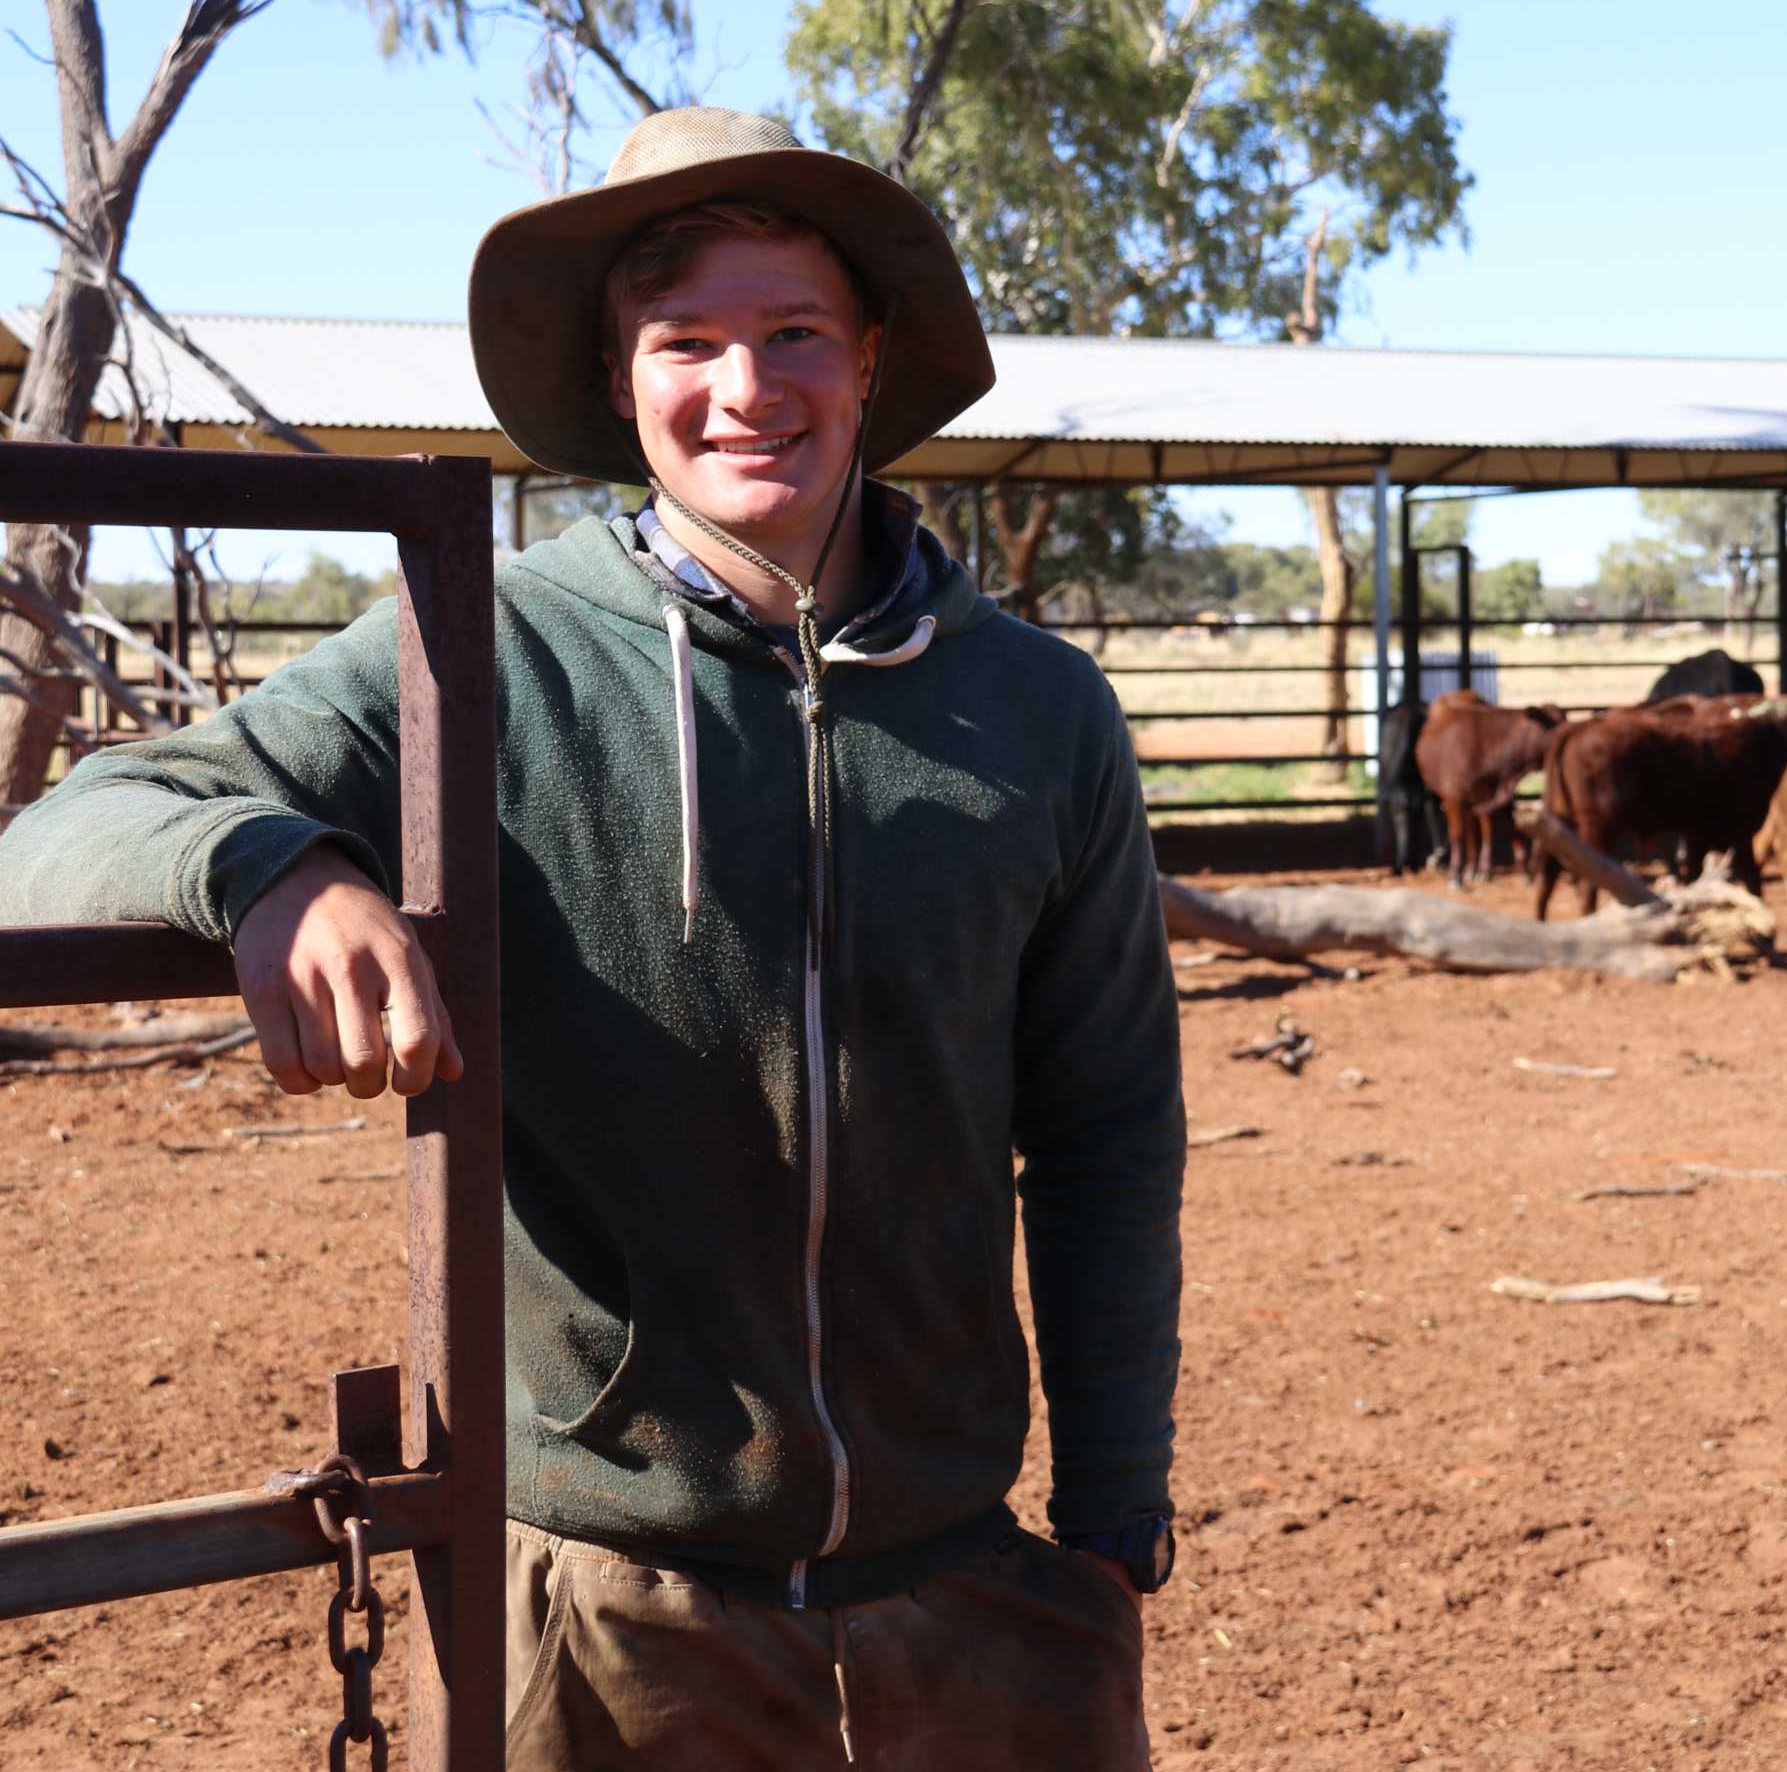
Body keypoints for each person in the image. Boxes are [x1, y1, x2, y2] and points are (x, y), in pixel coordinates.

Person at [0, 106, 1184, 1768]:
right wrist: (272, 865)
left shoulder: (1038, 711)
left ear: (872, 359)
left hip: (972, 1598)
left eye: (793, 336)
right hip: (613, 1609)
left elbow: (1110, 1125)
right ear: (622, 377)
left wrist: (1119, 1503)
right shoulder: (484, 659)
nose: (746, 388)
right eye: (686, 340)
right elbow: (56, 835)